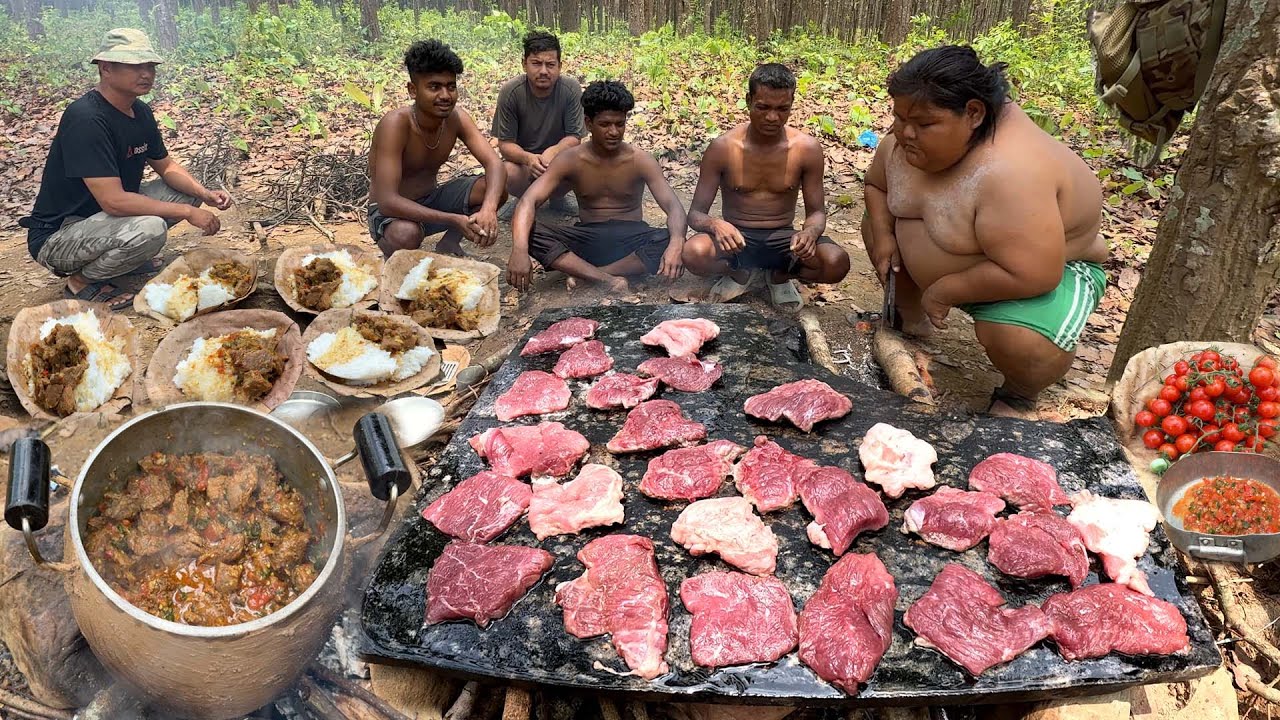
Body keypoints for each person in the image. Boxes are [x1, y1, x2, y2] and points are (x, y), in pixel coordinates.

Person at [862, 46, 1106, 415]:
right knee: (878, 222)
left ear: (973, 113)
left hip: (1039, 274)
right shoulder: (901, 142)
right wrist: (883, 234)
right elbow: (876, 187)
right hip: (970, 259)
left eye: (924, 124)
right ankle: (911, 320)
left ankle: (1020, 392)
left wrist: (946, 289)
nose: (904, 132)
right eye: (899, 117)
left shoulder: (1013, 171)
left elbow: (1034, 272)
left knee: (1022, 343)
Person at [18, 28, 231, 311]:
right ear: (106, 68)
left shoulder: (140, 111)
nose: (146, 74)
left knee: (184, 191)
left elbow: (166, 166)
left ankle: (123, 257)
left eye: (150, 66)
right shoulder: (86, 119)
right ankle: (81, 281)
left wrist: (204, 195)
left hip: (102, 220)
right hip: (59, 235)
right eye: (135, 66)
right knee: (151, 227)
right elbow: (115, 202)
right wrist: (190, 214)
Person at [683, 63, 849, 312]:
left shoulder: (807, 149)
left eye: (783, 109)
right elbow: (696, 214)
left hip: (784, 239)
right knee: (693, 253)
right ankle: (740, 274)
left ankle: (779, 277)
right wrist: (717, 225)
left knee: (836, 262)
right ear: (749, 101)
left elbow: (816, 212)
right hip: (737, 239)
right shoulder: (723, 148)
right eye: (763, 107)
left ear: (792, 103)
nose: (773, 117)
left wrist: (810, 234)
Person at [507, 80, 686, 294]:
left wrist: (676, 242)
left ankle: (594, 275)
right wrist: (519, 250)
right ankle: (605, 278)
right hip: (587, 239)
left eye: (620, 124)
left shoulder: (641, 160)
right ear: (588, 123)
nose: (614, 132)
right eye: (605, 124)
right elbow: (529, 200)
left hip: (630, 239)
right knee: (528, 230)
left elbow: (673, 207)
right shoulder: (570, 159)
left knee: (668, 238)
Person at [368, 39, 506, 258]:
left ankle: (448, 244)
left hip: (431, 199)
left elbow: (495, 164)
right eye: (434, 87)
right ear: (413, 90)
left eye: (451, 86)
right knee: (406, 235)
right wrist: (452, 219)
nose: (445, 95)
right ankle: (393, 255)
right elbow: (387, 201)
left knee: (494, 189)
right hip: (391, 214)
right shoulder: (395, 125)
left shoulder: (457, 118)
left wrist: (489, 208)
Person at [491, 30, 585, 218]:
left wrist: (555, 151)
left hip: (560, 161)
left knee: (583, 163)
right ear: (524, 64)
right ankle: (524, 198)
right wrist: (528, 158)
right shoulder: (511, 92)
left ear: (560, 65)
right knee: (507, 171)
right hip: (524, 164)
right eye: (536, 63)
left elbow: (575, 137)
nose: (543, 71)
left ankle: (558, 198)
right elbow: (505, 144)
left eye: (550, 64)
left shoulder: (571, 89)